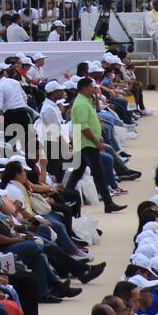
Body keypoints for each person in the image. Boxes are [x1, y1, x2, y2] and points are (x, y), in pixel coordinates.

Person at [63, 77, 125, 213]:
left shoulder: (85, 101)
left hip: (87, 142)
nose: (93, 89)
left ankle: (66, 196)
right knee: (98, 173)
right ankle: (108, 203)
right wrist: (95, 141)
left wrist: (98, 137)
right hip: (87, 143)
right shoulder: (81, 104)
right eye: (91, 87)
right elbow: (84, 127)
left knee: (78, 172)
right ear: (84, 88)